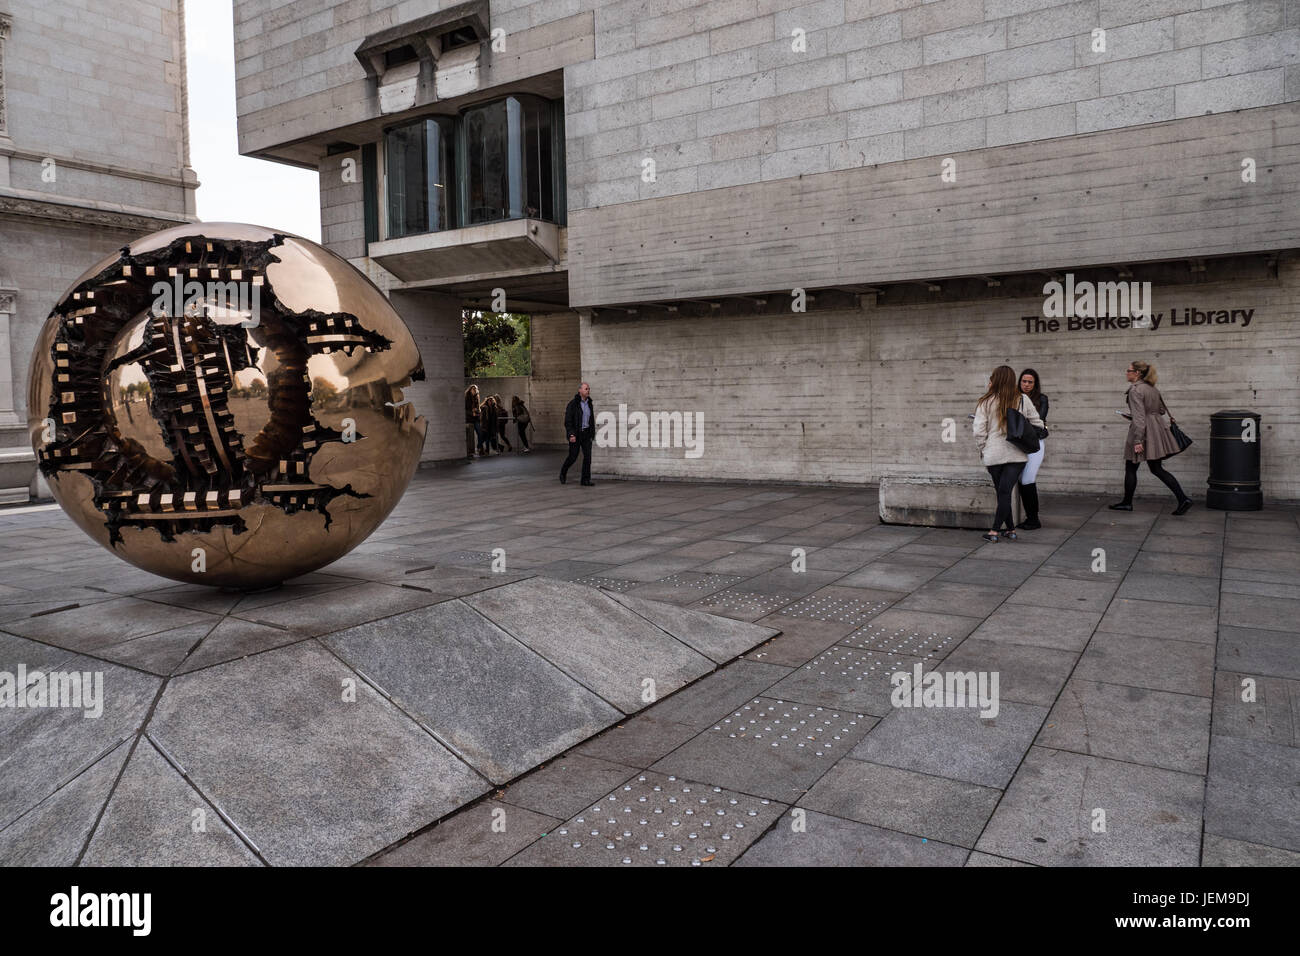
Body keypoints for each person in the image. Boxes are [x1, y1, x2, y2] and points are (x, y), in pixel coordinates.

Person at [1109, 360, 1192, 515]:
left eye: (1129, 370)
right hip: (1156, 429)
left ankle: (1127, 503)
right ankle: (1183, 499)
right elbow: (1160, 410)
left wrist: (1138, 440)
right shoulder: (1152, 388)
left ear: (1137, 373)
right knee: (1156, 468)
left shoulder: (1135, 390)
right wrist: (1144, 415)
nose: (1126, 372)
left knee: (1131, 467)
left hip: (1143, 431)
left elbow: (1140, 418)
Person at [973, 365, 1045, 542]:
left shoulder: (986, 401)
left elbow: (978, 431)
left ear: (995, 379)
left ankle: (994, 531)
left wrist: (983, 448)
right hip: (1017, 454)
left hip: (994, 454)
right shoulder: (1022, 399)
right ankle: (1011, 529)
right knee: (1004, 493)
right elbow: (1039, 424)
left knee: (1002, 493)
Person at [1017, 368, 1049, 530]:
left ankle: (1034, 519)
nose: (1027, 384)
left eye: (1030, 382)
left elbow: (1038, 420)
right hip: (1017, 444)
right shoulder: (1014, 397)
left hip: (1034, 444)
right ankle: (1029, 517)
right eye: (1024, 381)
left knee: (1027, 479)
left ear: (1035, 384)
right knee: (1021, 479)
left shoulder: (1042, 399)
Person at [560, 382, 595, 486]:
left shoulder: (589, 403)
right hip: (576, 434)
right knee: (573, 457)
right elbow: (568, 421)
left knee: (588, 458)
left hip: (586, 434)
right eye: (586, 389)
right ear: (580, 391)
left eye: (588, 389)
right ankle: (563, 472)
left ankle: (585, 480)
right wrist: (571, 434)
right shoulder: (573, 404)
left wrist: (592, 434)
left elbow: (591, 420)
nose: (588, 390)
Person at [464, 385, 481, 459]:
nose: (475, 390)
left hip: (475, 419)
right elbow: (464, 410)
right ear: (470, 390)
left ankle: (478, 448)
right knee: (470, 437)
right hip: (469, 419)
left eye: (476, 389)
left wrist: (477, 411)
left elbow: (478, 408)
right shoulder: (466, 398)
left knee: (480, 433)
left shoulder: (477, 398)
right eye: (473, 389)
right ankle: (471, 452)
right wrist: (471, 413)